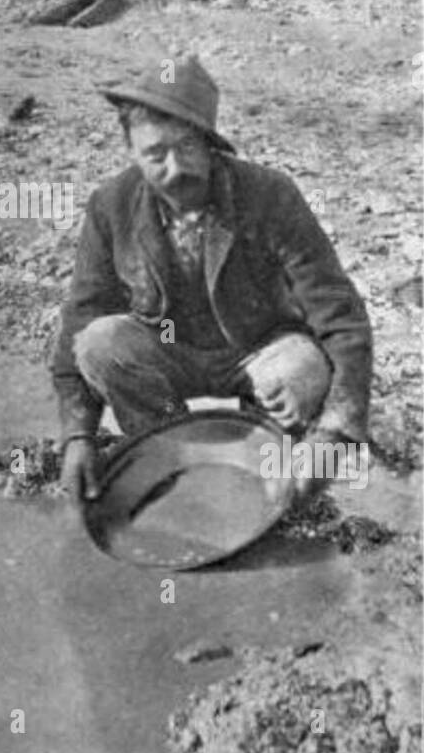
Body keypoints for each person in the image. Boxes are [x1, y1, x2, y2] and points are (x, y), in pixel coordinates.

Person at [52, 56, 373, 501]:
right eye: (155, 155)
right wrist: (79, 437)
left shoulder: (270, 195)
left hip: (260, 353)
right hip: (168, 352)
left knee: (303, 368)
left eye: (185, 148)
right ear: (132, 152)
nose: (173, 169)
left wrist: (333, 435)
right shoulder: (111, 206)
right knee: (98, 342)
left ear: (209, 145)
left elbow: (340, 316)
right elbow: (80, 317)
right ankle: (169, 450)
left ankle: (273, 454)